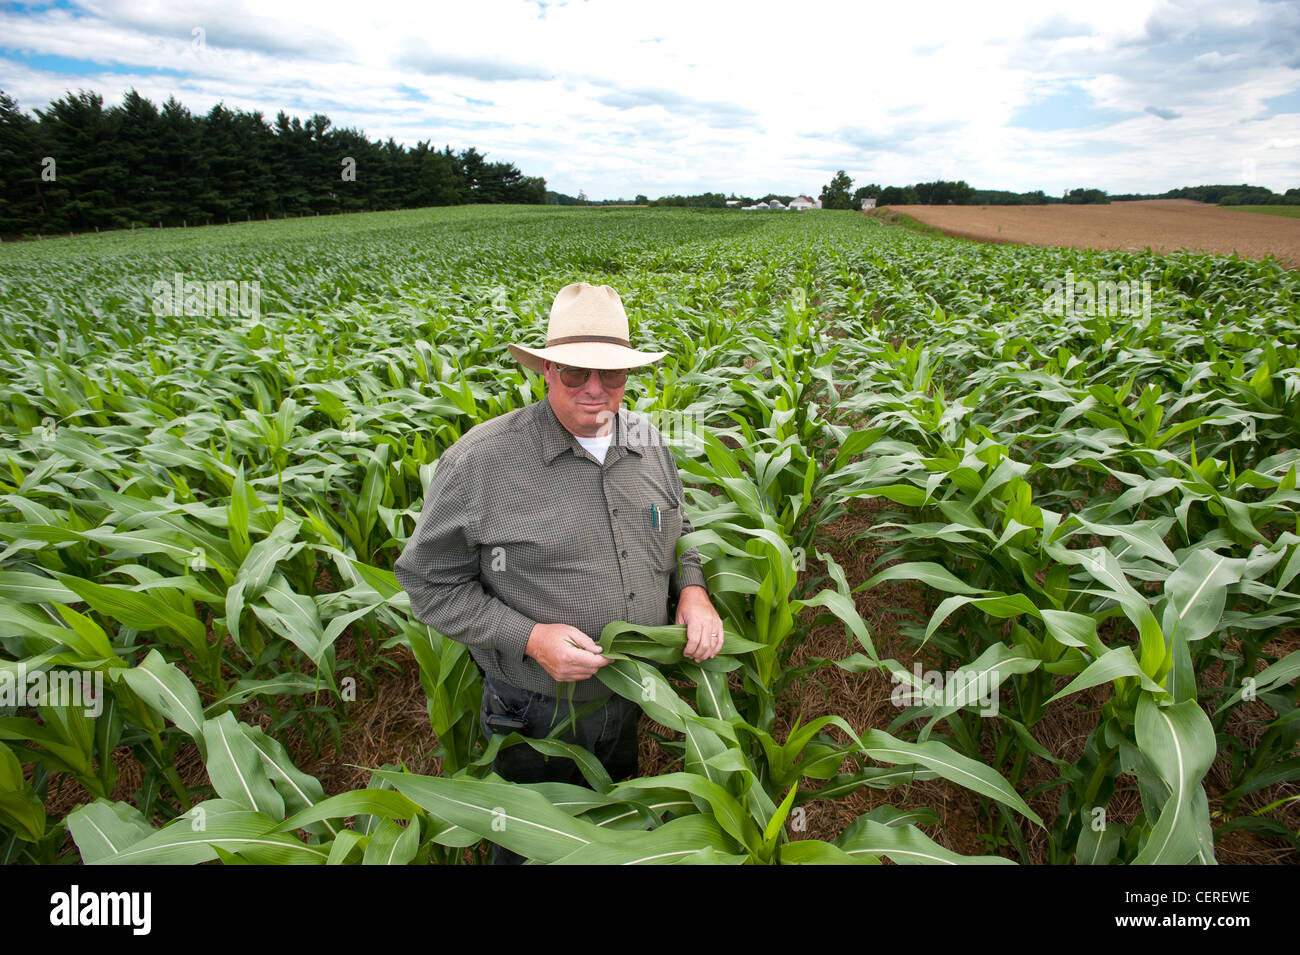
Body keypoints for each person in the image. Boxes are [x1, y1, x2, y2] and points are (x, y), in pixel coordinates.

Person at [393, 281, 723, 859]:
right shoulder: (481, 462)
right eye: (576, 373)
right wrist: (530, 637)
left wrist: (692, 589)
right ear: (546, 368)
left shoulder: (648, 442)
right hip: (536, 707)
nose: (596, 390)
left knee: (615, 823)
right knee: (532, 842)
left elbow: (678, 532)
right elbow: (429, 581)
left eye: (612, 375)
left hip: (631, 689)